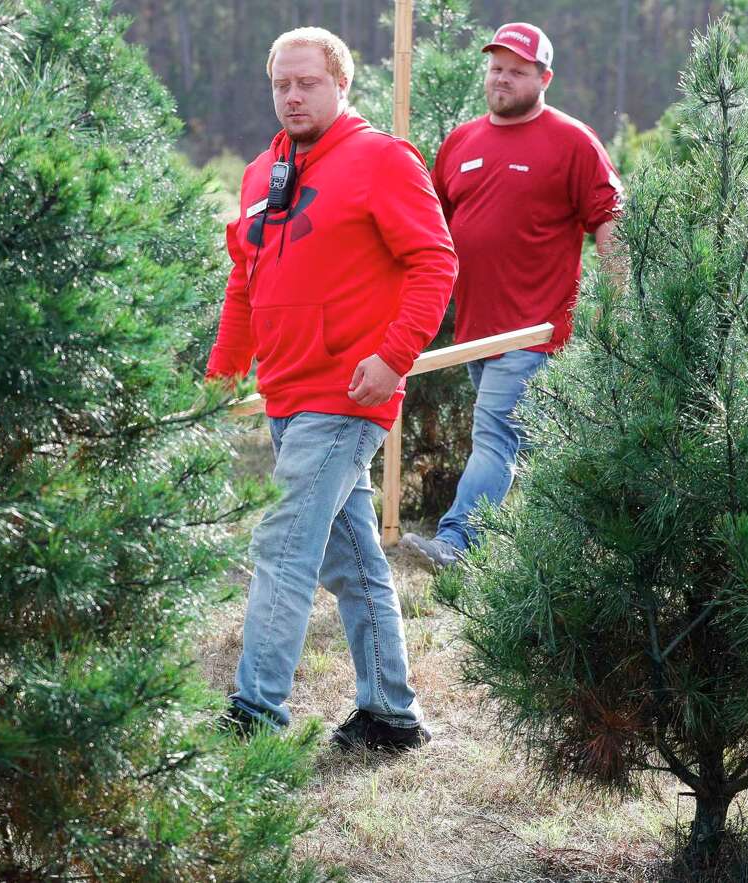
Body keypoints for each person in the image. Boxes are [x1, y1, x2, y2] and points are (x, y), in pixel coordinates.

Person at [205, 27, 458, 751]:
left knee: (282, 545)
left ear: (342, 84)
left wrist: (393, 356)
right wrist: (219, 379)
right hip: (285, 396)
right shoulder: (260, 174)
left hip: (346, 395)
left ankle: (255, 710)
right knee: (352, 560)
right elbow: (244, 286)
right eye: (281, 84)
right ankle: (391, 714)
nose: (292, 95)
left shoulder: (381, 159)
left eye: (307, 83)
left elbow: (434, 263)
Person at [400, 22, 623, 569]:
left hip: (536, 328)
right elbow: (432, 224)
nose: (503, 78)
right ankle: (561, 540)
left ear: (544, 77)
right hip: (476, 327)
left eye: (517, 71)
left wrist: (619, 305)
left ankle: (457, 544)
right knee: (518, 442)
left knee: (495, 436)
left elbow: (612, 217)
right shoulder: (462, 142)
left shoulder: (572, 141)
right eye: (496, 68)